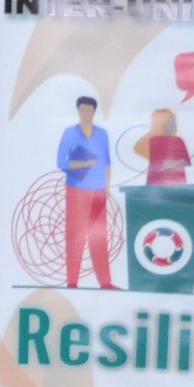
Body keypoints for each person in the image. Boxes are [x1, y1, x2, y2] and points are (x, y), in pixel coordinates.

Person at [131, 107, 194, 291]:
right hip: (156, 193)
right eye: (167, 123)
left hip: (178, 192)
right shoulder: (155, 141)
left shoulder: (178, 141)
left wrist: (173, 163)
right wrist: (174, 162)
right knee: (154, 233)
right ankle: (154, 278)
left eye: (173, 123)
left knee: (185, 234)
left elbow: (186, 162)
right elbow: (157, 162)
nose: (171, 126)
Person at [57, 95, 114, 289]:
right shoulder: (70, 133)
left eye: (89, 110)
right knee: (76, 235)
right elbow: (61, 162)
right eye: (83, 110)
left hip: (98, 191)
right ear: (78, 111)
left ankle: (105, 282)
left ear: (94, 112)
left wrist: (107, 187)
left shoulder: (102, 134)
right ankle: (72, 282)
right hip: (76, 189)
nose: (86, 113)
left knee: (99, 236)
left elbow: (107, 162)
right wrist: (84, 163)